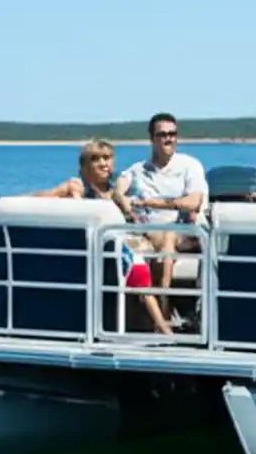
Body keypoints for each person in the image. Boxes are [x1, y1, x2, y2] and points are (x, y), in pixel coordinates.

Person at [34, 138, 173, 335]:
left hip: (131, 240)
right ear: (84, 165)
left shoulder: (117, 188)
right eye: (95, 159)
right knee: (138, 265)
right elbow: (43, 197)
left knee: (163, 249)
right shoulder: (78, 187)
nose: (103, 163)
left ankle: (159, 316)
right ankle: (162, 324)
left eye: (107, 158)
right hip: (103, 248)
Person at [112, 113, 208, 306]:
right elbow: (118, 189)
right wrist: (123, 201)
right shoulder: (139, 170)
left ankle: (163, 304)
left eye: (172, 134)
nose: (168, 139)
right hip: (149, 233)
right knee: (145, 244)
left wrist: (152, 203)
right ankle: (150, 315)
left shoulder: (189, 165)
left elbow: (193, 201)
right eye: (162, 134)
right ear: (152, 139)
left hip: (184, 232)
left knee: (169, 236)